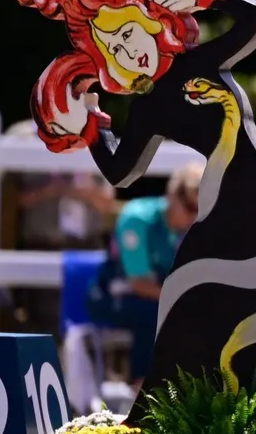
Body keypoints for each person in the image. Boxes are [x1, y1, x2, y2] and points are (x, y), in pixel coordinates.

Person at [87, 161, 204, 385]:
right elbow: (139, 283)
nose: (193, 217)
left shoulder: (191, 230)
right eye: (190, 208)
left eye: (199, 211)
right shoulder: (137, 219)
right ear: (173, 196)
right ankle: (141, 387)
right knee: (157, 313)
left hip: (156, 297)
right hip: (111, 296)